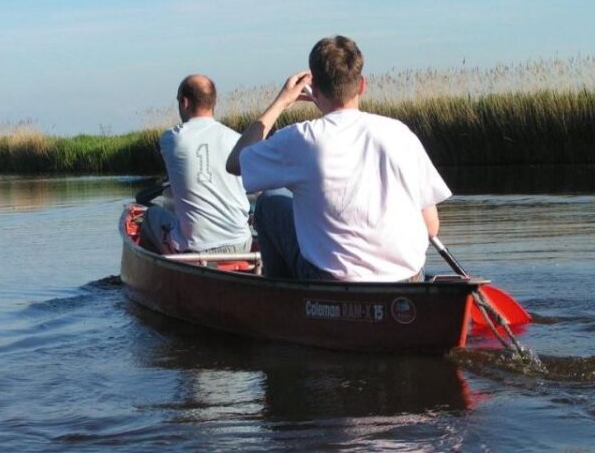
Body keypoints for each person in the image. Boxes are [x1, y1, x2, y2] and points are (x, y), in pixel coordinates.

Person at [226, 35, 450, 281]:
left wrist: (281, 102)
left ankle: (281, 295)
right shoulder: (401, 133)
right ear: (361, 85)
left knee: (269, 202)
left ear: (315, 90)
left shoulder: (301, 138)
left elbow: (235, 162)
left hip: (332, 283)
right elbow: (431, 227)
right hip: (407, 281)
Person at [142, 74, 252, 255]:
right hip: (241, 244)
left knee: (150, 216)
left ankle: (155, 266)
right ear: (213, 102)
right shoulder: (237, 139)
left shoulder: (171, 138)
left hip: (198, 249)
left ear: (184, 102)